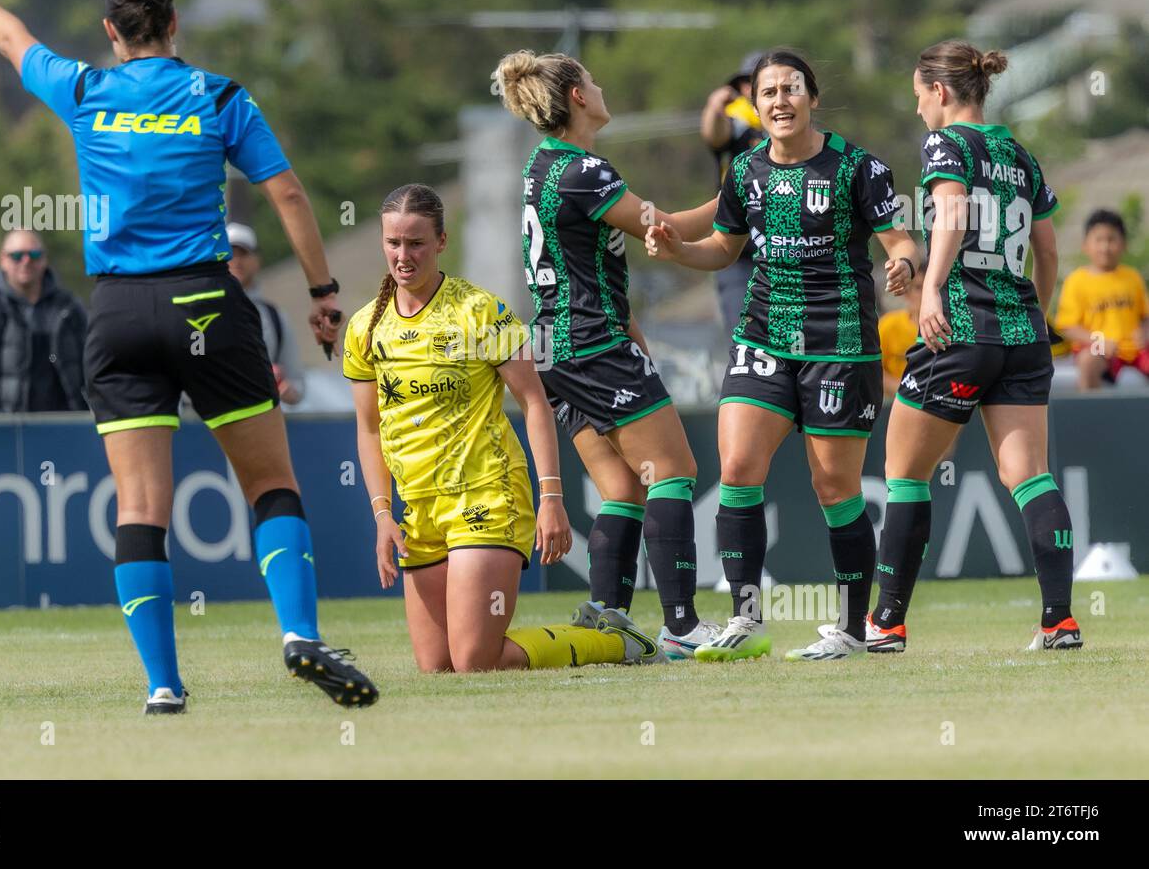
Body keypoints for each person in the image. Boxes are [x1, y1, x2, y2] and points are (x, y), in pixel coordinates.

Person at [0, 0, 377, 711]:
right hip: (204, 300)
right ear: (174, 23)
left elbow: (14, 42)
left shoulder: (83, 90)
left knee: (141, 510)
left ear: (111, 33)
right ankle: (300, 634)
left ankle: (164, 687)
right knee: (271, 484)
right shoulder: (216, 96)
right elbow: (288, 195)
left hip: (115, 312)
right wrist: (321, 291)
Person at [647, 50, 921, 662]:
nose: (779, 101)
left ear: (812, 97)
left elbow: (900, 236)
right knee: (739, 466)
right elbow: (722, 248)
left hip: (840, 346)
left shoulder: (857, 166)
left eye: (790, 89)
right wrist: (675, 251)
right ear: (757, 102)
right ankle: (745, 620)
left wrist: (903, 259)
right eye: (767, 92)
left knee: (835, 487)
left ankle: (853, 628)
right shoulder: (744, 173)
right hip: (762, 337)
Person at [345, 184, 665, 670]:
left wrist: (551, 497)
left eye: (416, 243)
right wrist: (382, 514)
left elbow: (534, 401)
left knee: (475, 660)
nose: (403, 255)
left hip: (487, 497)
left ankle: (613, 642)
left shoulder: (480, 311)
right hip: (419, 509)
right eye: (394, 243)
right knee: (437, 667)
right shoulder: (365, 327)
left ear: (441, 243)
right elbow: (369, 429)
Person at [494, 49, 723, 660]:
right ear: (575, 97)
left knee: (623, 489)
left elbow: (594, 264)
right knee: (673, 474)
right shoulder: (581, 170)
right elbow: (672, 227)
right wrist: (743, 193)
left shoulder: (543, 166)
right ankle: (682, 626)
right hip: (592, 345)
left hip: (558, 348)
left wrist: (634, 337)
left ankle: (610, 620)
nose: (601, 86)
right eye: (592, 81)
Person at [873, 39, 1079, 653]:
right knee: (1031, 477)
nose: (917, 113)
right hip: (1023, 336)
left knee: (904, 472)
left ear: (939, 91)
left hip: (959, 331)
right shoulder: (1019, 151)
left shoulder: (947, 144)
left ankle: (885, 624)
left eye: (918, 98)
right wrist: (1034, 316)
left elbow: (952, 210)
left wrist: (931, 287)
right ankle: (1059, 619)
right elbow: (1048, 251)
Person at [0, 228, 89, 413]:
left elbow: (94, 373)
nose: (26, 261)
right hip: (7, 436)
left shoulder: (69, 310)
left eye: (34, 254)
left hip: (66, 433)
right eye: (17, 255)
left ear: (44, 259)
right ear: (3, 260)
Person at [700, 51, 764, 338]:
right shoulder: (736, 122)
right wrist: (715, 107)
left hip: (784, 251)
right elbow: (714, 135)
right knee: (744, 338)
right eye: (748, 82)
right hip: (738, 252)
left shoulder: (793, 127)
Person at [1054, 209, 1149, 390]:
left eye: (1111, 239)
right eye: (1099, 240)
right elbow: (1067, 326)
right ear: (1086, 245)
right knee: (1088, 362)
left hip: (1134, 350)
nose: (1105, 247)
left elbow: (1145, 317)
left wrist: (1144, 332)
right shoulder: (1077, 280)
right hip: (1097, 348)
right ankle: (1091, 416)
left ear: (1123, 244)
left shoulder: (1132, 277)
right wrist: (1099, 342)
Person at [226, 222, 306, 405]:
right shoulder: (200, 309)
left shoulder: (275, 317)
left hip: (261, 421)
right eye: (231, 253)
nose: (237, 260)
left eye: (243, 253)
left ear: (256, 260)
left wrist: (286, 389)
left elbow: (297, 386)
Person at [879, 262, 926, 399]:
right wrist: (906, 393)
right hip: (892, 405)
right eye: (918, 288)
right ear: (907, 293)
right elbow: (873, 369)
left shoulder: (948, 330)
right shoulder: (888, 325)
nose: (924, 294)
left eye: (928, 287)